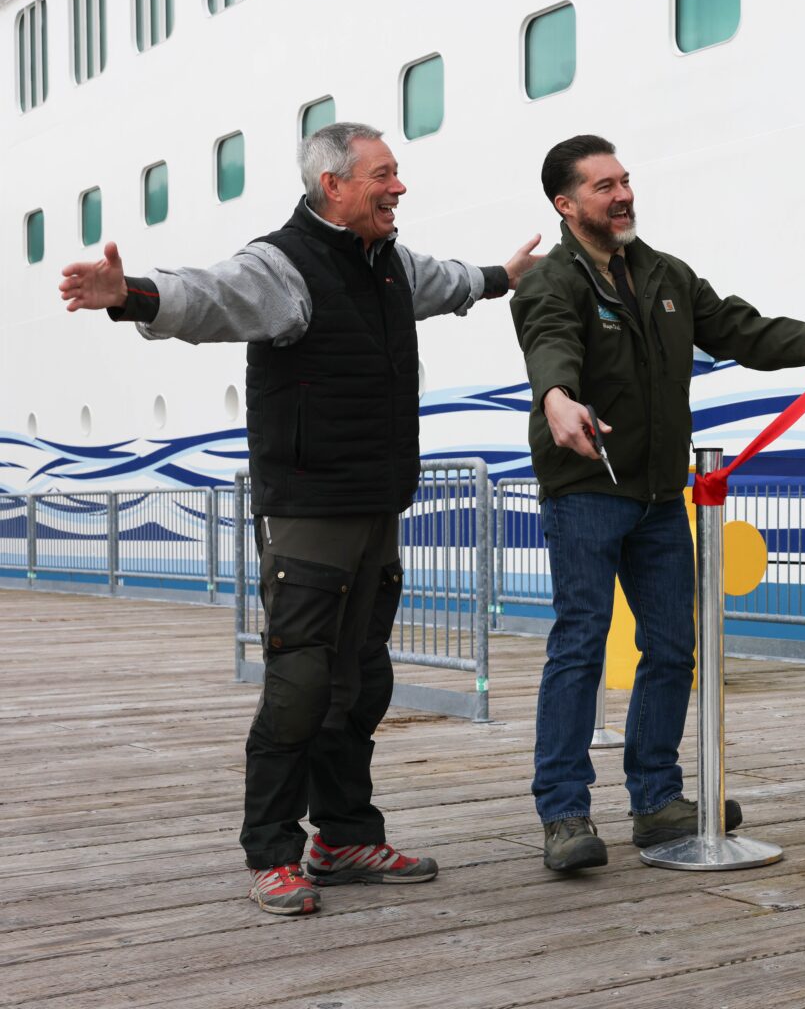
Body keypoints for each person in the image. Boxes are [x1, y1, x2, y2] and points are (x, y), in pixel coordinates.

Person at [57, 122, 543, 916]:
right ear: (334, 186)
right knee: (300, 684)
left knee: (361, 681)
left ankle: (346, 836)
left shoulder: (387, 265)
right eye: (384, 174)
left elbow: (447, 281)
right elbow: (210, 295)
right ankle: (272, 850)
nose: (399, 187)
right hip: (310, 511)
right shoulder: (284, 268)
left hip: (376, 506)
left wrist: (501, 276)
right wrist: (131, 295)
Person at [511, 134, 805, 872]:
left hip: (656, 496)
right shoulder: (551, 283)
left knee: (672, 648)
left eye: (624, 180)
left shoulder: (665, 274)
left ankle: (656, 802)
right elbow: (549, 346)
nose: (622, 195)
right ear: (565, 203)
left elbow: (740, 328)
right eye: (603, 186)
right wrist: (556, 398)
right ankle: (564, 812)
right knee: (580, 645)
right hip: (586, 491)